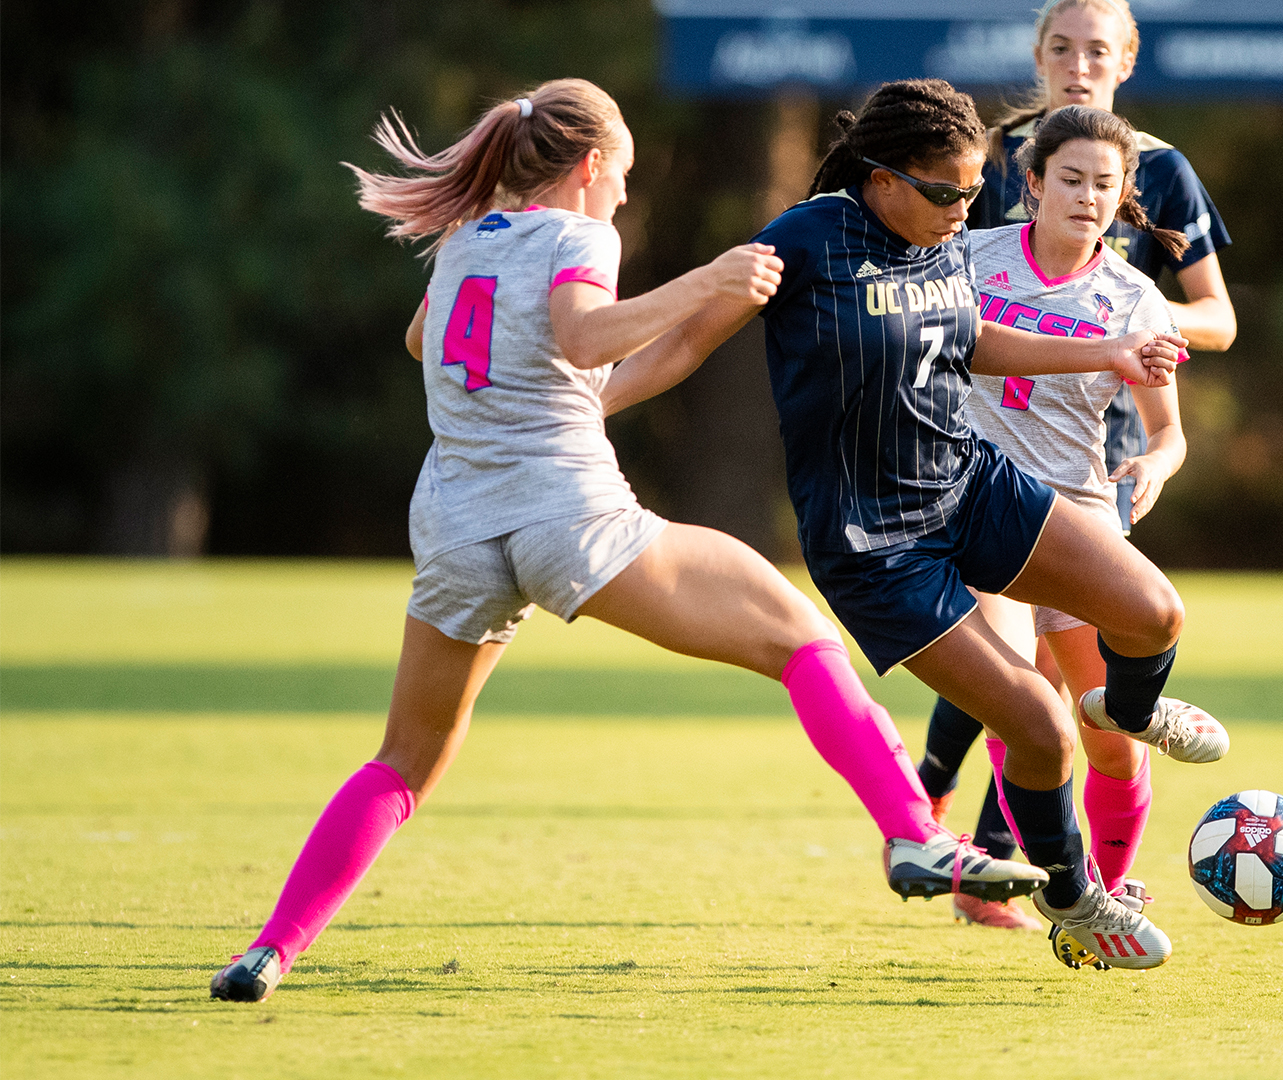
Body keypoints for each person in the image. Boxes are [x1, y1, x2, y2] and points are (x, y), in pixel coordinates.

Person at [208, 79, 1044, 1003]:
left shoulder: (463, 247)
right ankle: (912, 832)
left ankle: (271, 949)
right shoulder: (581, 234)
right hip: (567, 515)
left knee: (402, 762)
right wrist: (710, 279)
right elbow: (581, 334)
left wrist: (522, 370)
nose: (626, 197)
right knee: (799, 636)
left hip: (453, 526)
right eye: (626, 176)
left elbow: (423, 343)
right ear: (594, 167)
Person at [632, 79, 1225, 971]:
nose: (961, 208)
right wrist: (581, 401)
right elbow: (682, 343)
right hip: (878, 548)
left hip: (972, 486)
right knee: (1039, 727)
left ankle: (1130, 711)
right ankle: (1072, 896)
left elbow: (970, 338)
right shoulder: (806, 239)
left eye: (970, 189)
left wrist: (1101, 350)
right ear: (879, 178)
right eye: (945, 191)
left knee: (1154, 614)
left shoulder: (941, 242)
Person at [916, 0, 1238, 929]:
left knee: (1101, 733)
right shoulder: (970, 252)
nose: (1086, 196)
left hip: (1082, 508)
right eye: (1070, 180)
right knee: (1027, 700)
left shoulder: (1137, 292)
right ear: (1031, 180)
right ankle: (1028, 875)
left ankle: (1105, 867)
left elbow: (1165, 418)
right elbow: (931, 328)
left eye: (1105, 185)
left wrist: (1162, 453)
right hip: (974, 500)